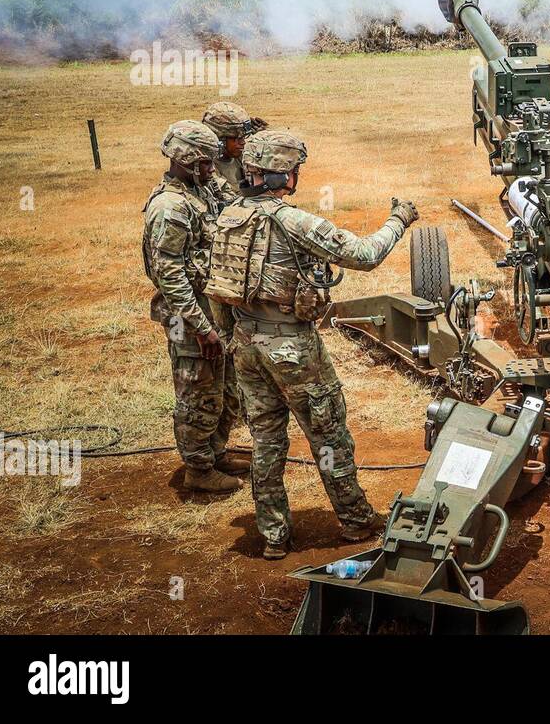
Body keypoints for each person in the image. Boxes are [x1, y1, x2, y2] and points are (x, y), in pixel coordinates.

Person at [206, 129, 419, 558]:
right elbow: (363, 254)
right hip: (292, 349)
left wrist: (234, 338)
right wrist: (399, 219)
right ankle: (357, 522)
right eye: (295, 170)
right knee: (328, 435)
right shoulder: (291, 221)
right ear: (283, 175)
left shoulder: (229, 215)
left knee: (267, 441)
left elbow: (218, 289)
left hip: (246, 345)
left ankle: (273, 536)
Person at [142, 121, 248, 493]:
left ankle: (216, 451)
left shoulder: (200, 190)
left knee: (226, 388)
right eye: (204, 164)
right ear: (184, 160)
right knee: (197, 392)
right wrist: (200, 326)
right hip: (190, 317)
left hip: (215, 309)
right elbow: (168, 274)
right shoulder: (170, 207)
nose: (210, 170)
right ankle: (199, 469)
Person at [202, 101, 266, 191]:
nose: (243, 142)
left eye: (243, 137)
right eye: (236, 138)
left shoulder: (240, 155)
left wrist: (264, 142)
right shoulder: (205, 168)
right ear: (219, 138)